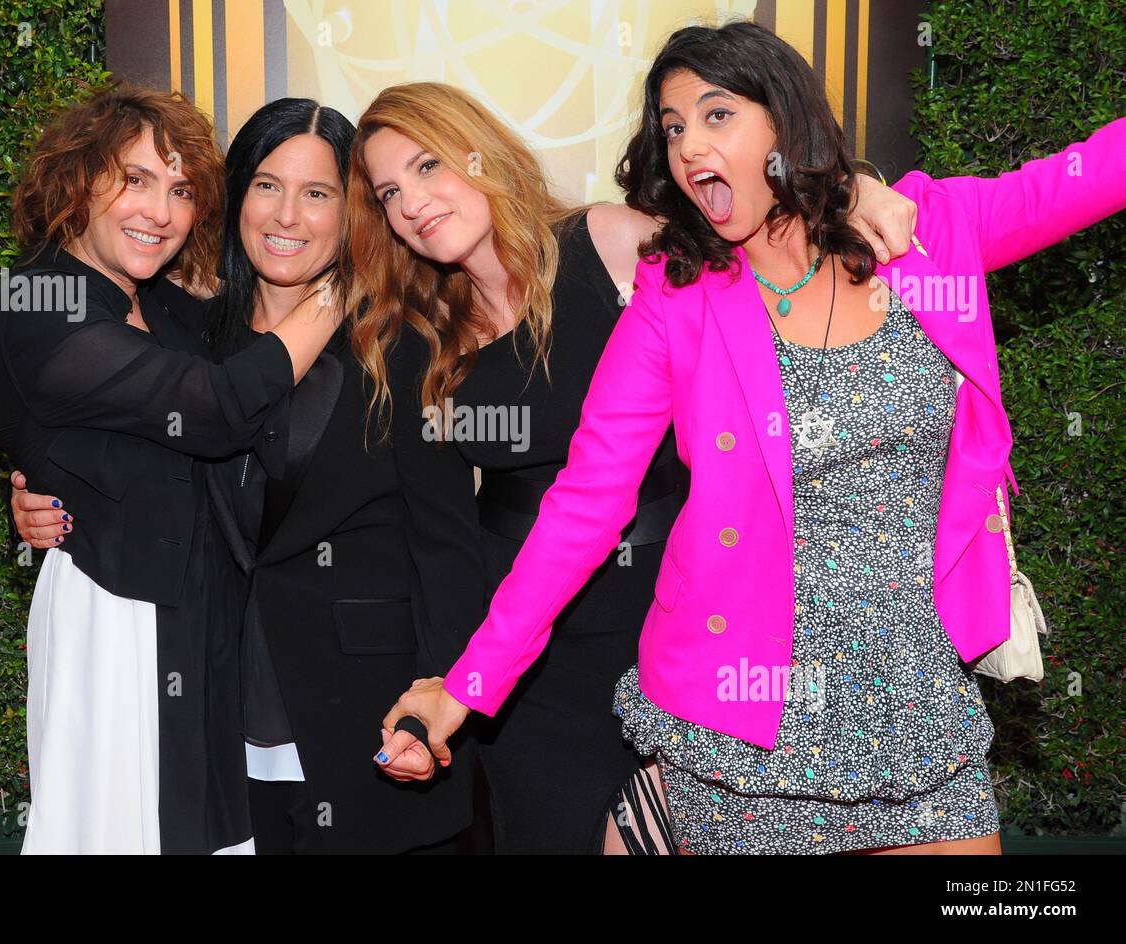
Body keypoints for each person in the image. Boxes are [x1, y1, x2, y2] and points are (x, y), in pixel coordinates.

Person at [379, 21, 1126, 855]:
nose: (689, 144)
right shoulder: (678, 294)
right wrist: (467, 685)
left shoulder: (924, 234)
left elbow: (1092, 173)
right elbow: (586, 501)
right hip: (747, 722)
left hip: (918, 699)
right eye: (672, 128)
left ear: (783, 120)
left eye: (717, 114)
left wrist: (854, 186)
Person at [349, 78, 918, 852]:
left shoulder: (609, 243)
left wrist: (856, 193)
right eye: (388, 192)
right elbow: (442, 539)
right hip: (529, 647)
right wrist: (449, 685)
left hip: (681, 611)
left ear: (479, 154)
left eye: (427, 166)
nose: (411, 202)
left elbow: (762, 241)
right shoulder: (418, 337)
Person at [9, 98, 473, 853]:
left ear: (353, 211)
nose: (287, 215)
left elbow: (447, 542)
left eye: (317, 193)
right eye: (266, 185)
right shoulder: (188, 333)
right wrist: (49, 496)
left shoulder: (402, 344)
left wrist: (441, 692)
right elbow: (130, 438)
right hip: (213, 710)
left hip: (369, 712)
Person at [0, 83, 340, 854]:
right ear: (78, 181)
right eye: (135, 180)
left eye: (180, 190)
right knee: (117, 828)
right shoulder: (35, 300)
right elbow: (213, 408)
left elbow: (247, 342)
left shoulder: (162, 302)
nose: (160, 211)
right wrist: (336, 295)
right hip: (116, 615)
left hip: (200, 616)